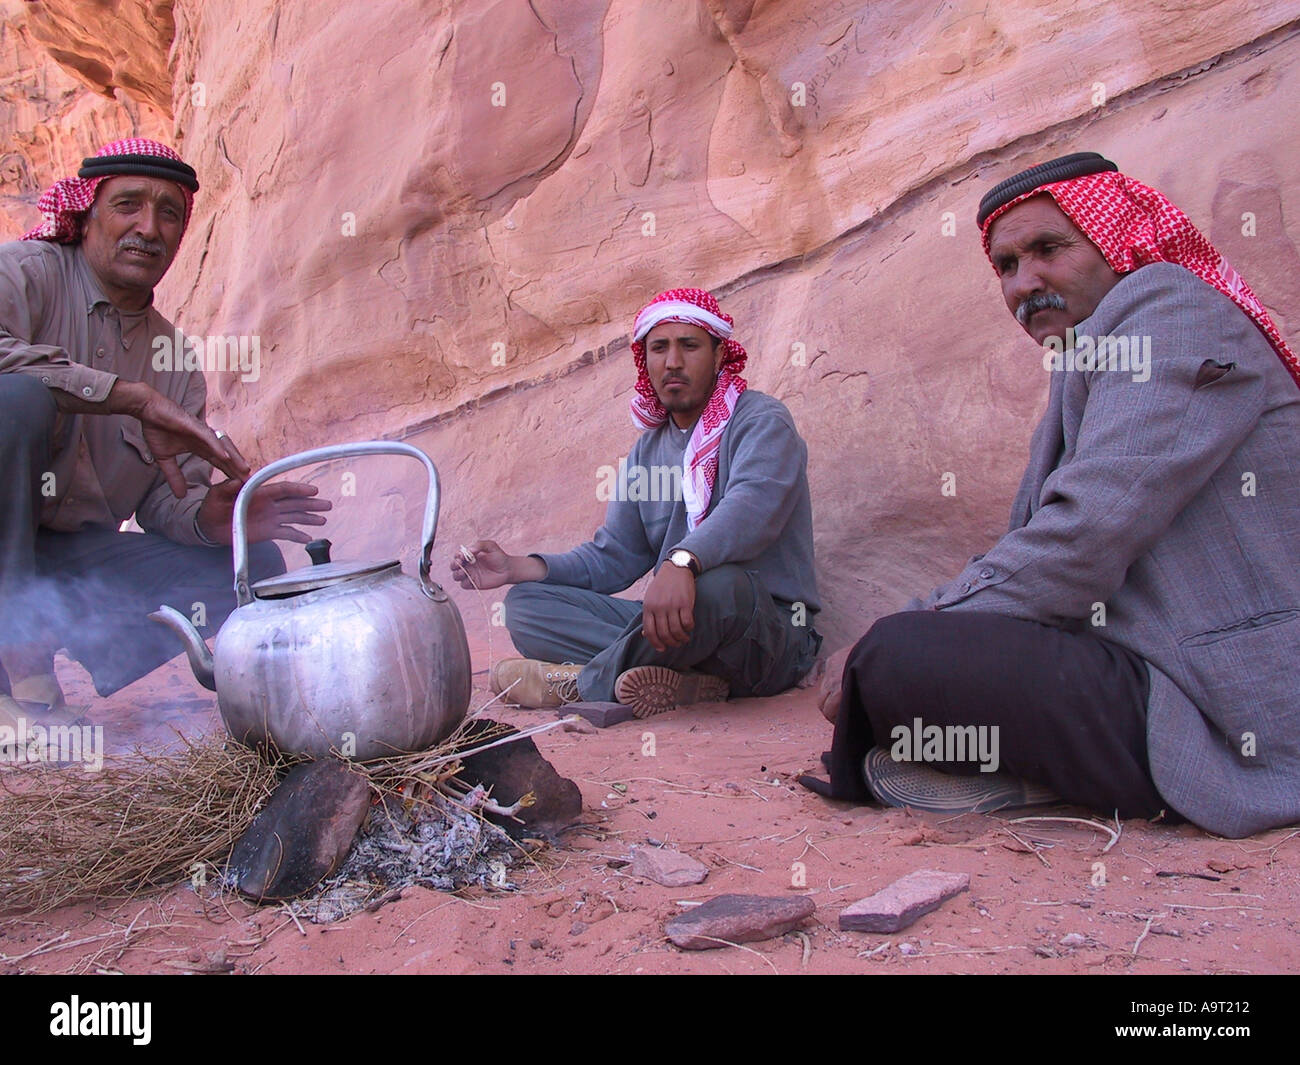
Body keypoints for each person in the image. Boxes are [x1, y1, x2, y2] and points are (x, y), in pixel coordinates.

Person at [802, 152, 1300, 839]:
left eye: (1047, 250)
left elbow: (1084, 537)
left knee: (894, 656)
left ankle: (1042, 772)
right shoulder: (1094, 355)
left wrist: (908, 631)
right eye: (1006, 266)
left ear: (1115, 238)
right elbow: (1039, 548)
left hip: (1225, 701)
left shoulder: (1169, 311)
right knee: (913, 654)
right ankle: (1029, 771)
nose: (1024, 283)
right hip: (1146, 666)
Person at [0, 139, 329, 730]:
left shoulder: (172, 357)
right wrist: (129, 397)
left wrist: (213, 517)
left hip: (67, 558)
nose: (148, 228)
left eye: (168, 214)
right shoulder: (25, 275)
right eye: (128, 204)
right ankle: (14, 657)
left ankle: (48, 641)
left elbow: (162, 498)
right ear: (87, 214)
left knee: (249, 563)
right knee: (16, 397)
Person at [451, 287, 821, 718]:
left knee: (723, 586)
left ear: (720, 354)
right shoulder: (647, 452)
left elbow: (753, 508)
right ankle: (687, 683)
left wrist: (683, 561)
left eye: (690, 346)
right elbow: (614, 557)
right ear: (646, 360)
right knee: (527, 606)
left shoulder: (761, 421)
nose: (673, 362)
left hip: (766, 633)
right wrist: (518, 567)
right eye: (659, 348)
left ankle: (581, 684)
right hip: (684, 632)